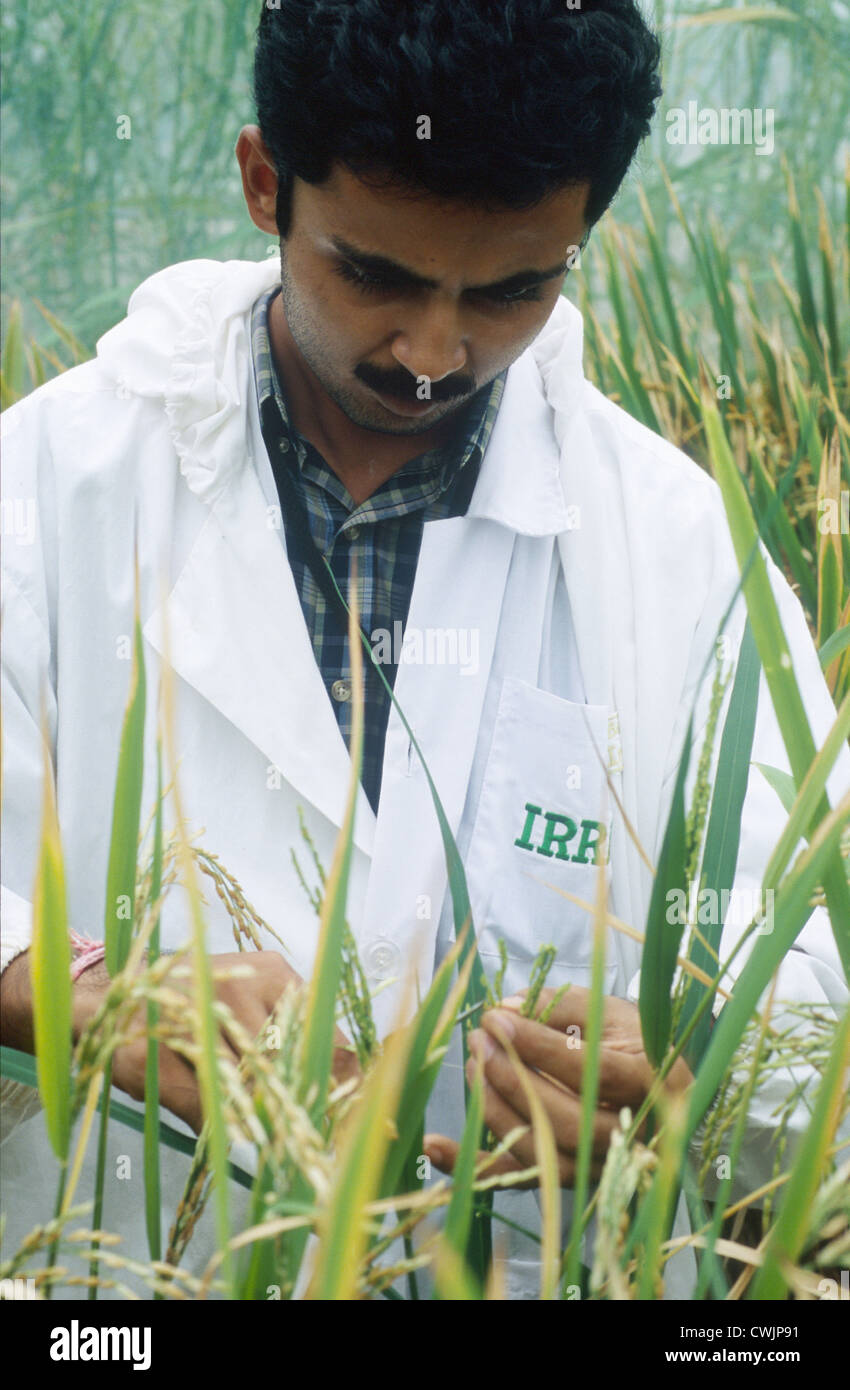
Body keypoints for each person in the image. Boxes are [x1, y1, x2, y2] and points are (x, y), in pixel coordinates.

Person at [1, 0, 846, 1299]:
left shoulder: (680, 552)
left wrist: (694, 1070)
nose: (431, 352)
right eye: (376, 276)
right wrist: (77, 994)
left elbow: (808, 961)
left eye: (511, 288)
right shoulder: (47, 485)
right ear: (261, 181)